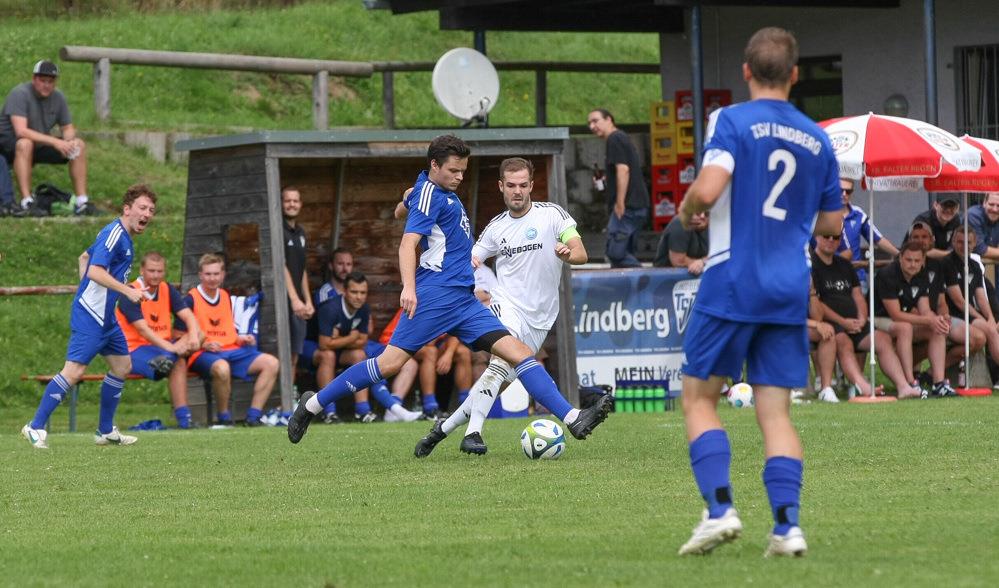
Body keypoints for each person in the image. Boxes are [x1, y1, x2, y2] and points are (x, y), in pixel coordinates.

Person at [287, 135, 613, 446]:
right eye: (454, 170)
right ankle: (312, 404)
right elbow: (407, 243)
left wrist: (404, 204)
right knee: (389, 364)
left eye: (463, 171)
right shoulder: (430, 193)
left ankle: (573, 418)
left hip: (463, 301)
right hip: (435, 296)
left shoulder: (431, 191)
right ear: (434, 165)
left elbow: (406, 202)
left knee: (521, 354)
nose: (459, 177)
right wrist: (409, 289)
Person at [673, 27, 843, 558]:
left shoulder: (731, 120)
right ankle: (788, 528)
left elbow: (708, 187)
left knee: (700, 398)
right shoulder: (818, 138)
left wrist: (687, 210)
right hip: (789, 286)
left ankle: (720, 510)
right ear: (795, 75)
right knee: (776, 413)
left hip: (732, 276)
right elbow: (832, 223)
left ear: (746, 72)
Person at [415, 156, 588, 456]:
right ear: (501, 187)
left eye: (523, 185)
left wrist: (567, 253)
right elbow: (471, 259)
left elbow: (581, 253)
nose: (517, 191)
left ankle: (441, 430)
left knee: (497, 381)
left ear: (532, 186)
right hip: (506, 307)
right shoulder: (496, 228)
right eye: (511, 185)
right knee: (499, 364)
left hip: (540, 318)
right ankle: (474, 434)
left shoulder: (552, 216)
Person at [20, 184, 157, 449]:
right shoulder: (114, 234)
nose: (147, 214)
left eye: (151, 210)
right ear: (127, 209)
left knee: (122, 367)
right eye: (142, 208)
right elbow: (95, 270)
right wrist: (125, 291)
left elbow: (84, 257)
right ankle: (34, 426)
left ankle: (105, 431)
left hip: (106, 317)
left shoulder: (122, 235)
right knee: (74, 372)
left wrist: (89, 288)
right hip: (91, 315)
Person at [304, 270, 422, 423]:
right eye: (354, 292)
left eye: (362, 292)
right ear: (344, 292)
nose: (359, 297)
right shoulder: (330, 308)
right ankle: (329, 412)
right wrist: (352, 338)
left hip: (343, 350)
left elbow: (362, 341)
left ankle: (364, 411)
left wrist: (342, 339)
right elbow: (324, 344)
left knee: (360, 356)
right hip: (311, 348)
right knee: (328, 356)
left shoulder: (364, 308)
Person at [811, 233, 917, 398]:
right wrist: (843, 322)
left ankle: (903, 386)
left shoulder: (845, 265)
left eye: (836, 237)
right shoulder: (811, 265)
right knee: (843, 342)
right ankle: (864, 387)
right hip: (830, 322)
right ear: (816, 237)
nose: (831, 240)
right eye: (826, 236)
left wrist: (862, 318)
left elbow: (858, 295)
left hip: (855, 321)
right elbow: (816, 303)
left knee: (882, 339)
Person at [180, 253, 281, 426]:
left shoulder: (225, 296)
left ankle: (253, 416)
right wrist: (204, 343)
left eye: (216, 274)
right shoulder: (191, 298)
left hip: (232, 350)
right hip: (202, 354)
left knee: (271, 363)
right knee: (222, 368)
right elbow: (178, 335)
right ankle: (224, 418)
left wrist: (241, 339)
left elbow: (227, 330)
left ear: (223, 274)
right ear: (200, 275)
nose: (212, 278)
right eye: (208, 274)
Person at [114, 251, 203, 428]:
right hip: (133, 350)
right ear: (142, 270)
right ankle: (184, 419)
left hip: (162, 347)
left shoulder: (166, 288)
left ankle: (185, 421)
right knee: (172, 362)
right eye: (151, 271)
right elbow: (143, 330)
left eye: (159, 271)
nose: (155, 275)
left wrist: (192, 336)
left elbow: (188, 316)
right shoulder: (131, 292)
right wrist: (173, 349)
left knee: (199, 335)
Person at [0, 60, 92, 215]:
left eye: (50, 81)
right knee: (25, 143)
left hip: (39, 143)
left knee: (79, 145)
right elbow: (21, 131)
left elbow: (67, 127)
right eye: (43, 81)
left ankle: (82, 201)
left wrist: (69, 141)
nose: (46, 85)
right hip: (9, 145)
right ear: (34, 79)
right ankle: (27, 201)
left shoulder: (58, 97)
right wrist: (57, 142)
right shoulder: (20, 94)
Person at [872, 242, 954, 398]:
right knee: (905, 328)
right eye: (908, 260)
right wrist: (929, 320)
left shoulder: (921, 274)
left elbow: (924, 309)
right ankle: (911, 382)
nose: (912, 264)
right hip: (878, 318)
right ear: (900, 258)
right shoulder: (887, 274)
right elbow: (895, 314)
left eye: (917, 261)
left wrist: (937, 320)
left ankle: (939, 383)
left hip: (901, 318)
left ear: (923, 261)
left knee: (937, 329)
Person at [907, 221, 983, 373]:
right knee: (935, 331)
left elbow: (942, 301)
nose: (920, 241)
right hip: (911, 318)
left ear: (932, 240)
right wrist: (931, 320)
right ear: (909, 240)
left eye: (924, 237)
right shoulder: (904, 265)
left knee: (977, 339)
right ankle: (914, 373)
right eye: (915, 237)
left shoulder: (937, 265)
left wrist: (945, 316)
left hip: (936, 317)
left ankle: (929, 374)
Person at [587, 108, 649, 268]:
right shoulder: (620, 138)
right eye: (589, 123)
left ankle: (644, 278)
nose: (592, 126)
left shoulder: (615, 138)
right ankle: (632, 288)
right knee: (624, 253)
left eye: (595, 121)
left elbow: (623, 170)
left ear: (609, 119)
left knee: (616, 253)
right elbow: (624, 169)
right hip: (635, 205)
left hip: (627, 207)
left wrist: (620, 202)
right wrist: (607, 179)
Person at [837, 178, 898, 287]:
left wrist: (900, 254)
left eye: (848, 191)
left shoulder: (858, 214)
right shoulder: (824, 213)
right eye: (840, 190)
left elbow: (877, 238)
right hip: (832, 275)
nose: (844, 194)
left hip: (856, 277)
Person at [282, 186, 314, 374]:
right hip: (284, 302)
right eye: (288, 200)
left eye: (295, 201)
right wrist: (294, 299)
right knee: (282, 353)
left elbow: (301, 269)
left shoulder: (301, 233)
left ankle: (287, 404)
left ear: (300, 204)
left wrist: (307, 301)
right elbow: (281, 265)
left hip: (298, 305)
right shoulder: (279, 230)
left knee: (294, 354)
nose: (292, 204)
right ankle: (279, 402)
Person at [907, 194, 962, 259]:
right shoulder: (923, 221)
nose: (948, 210)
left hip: (946, 261)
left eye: (952, 207)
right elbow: (921, 251)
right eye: (944, 206)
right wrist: (952, 253)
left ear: (957, 208)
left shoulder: (956, 220)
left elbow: (957, 245)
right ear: (935, 205)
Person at [967, 192, 999, 261]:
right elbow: (979, 249)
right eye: (991, 204)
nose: (995, 209)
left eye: (998, 206)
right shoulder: (973, 215)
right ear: (984, 203)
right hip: (966, 266)